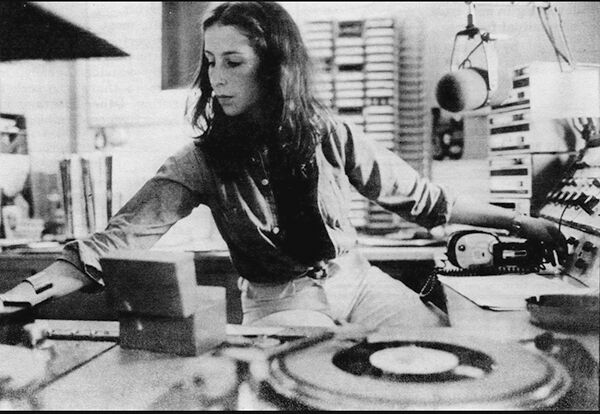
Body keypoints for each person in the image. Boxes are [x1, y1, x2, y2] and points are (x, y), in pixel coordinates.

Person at [0, 1, 567, 329]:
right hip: (280, 300)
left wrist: (525, 224)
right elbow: (114, 241)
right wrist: (17, 296)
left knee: (443, 345)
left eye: (233, 62)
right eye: (210, 62)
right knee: (297, 381)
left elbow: (425, 200)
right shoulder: (200, 161)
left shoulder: (328, 132)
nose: (216, 79)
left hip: (357, 281)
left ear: (273, 66)